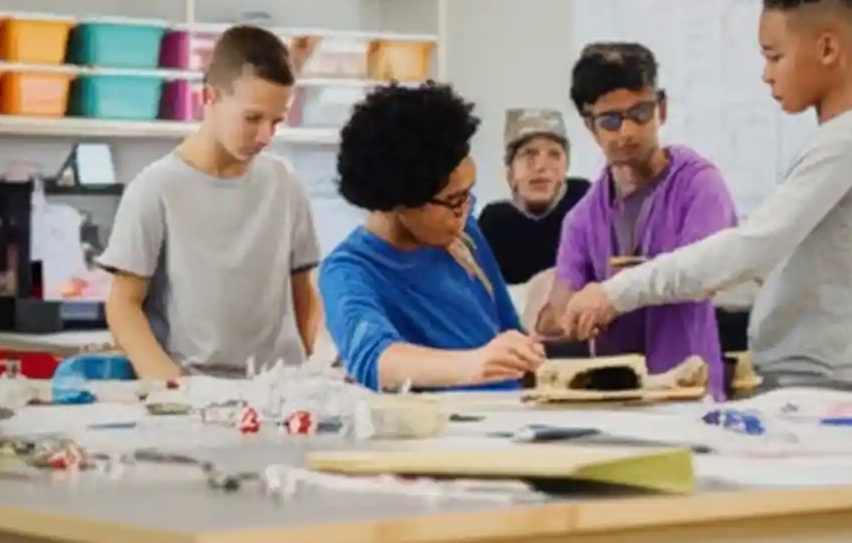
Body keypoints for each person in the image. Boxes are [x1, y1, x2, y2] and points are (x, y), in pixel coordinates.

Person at [562, 0, 852, 393]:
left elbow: (748, 250)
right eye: (609, 121)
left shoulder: (846, 141)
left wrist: (615, 291)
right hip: (805, 379)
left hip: (825, 387)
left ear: (828, 49)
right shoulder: (845, 139)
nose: (766, 73)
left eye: (774, 56)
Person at [99, 25, 321, 380]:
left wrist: (325, 362)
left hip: (280, 388)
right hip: (195, 390)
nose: (266, 136)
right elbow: (123, 305)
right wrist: (170, 385)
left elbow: (304, 294)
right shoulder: (155, 188)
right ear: (210, 98)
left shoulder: (285, 184)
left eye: (277, 121)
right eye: (253, 119)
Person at [538, 42, 738, 398]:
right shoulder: (582, 218)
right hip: (614, 401)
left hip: (689, 396)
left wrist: (617, 291)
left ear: (661, 108)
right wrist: (569, 312)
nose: (627, 131)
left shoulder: (699, 186)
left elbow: (705, 273)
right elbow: (560, 314)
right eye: (611, 121)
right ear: (590, 126)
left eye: (640, 113)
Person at [319, 83, 545, 391]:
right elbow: (376, 360)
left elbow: (509, 332)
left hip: (513, 420)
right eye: (454, 201)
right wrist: (475, 363)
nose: (465, 212)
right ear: (399, 203)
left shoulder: (464, 235)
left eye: (468, 195)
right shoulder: (349, 271)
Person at [477, 108, 590, 286]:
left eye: (554, 155)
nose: (540, 166)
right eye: (528, 154)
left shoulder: (586, 205)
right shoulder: (494, 223)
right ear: (510, 173)